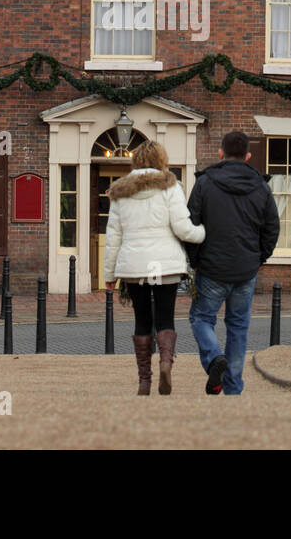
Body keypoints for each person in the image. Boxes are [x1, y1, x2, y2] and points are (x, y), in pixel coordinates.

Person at [102, 141, 205, 395]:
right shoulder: (171, 187)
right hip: (165, 264)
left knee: (142, 320)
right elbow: (183, 228)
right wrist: (202, 233)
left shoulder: (120, 192)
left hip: (134, 267)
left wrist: (109, 275)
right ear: (161, 159)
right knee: (165, 317)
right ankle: (166, 363)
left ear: (135, 161)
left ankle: (144, 381)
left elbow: (113, 236)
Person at [186, 131, 280, 395]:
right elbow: (272, 228)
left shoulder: (204, 183)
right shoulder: (261, 187)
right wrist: (259, 257)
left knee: (201, 319)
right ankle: (233, 387)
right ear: (248, 156)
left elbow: (190, 225)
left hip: (211, 269)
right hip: (245, 270)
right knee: (238, 327)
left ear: (220, 153)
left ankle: (214, 358)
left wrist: (195, 261)